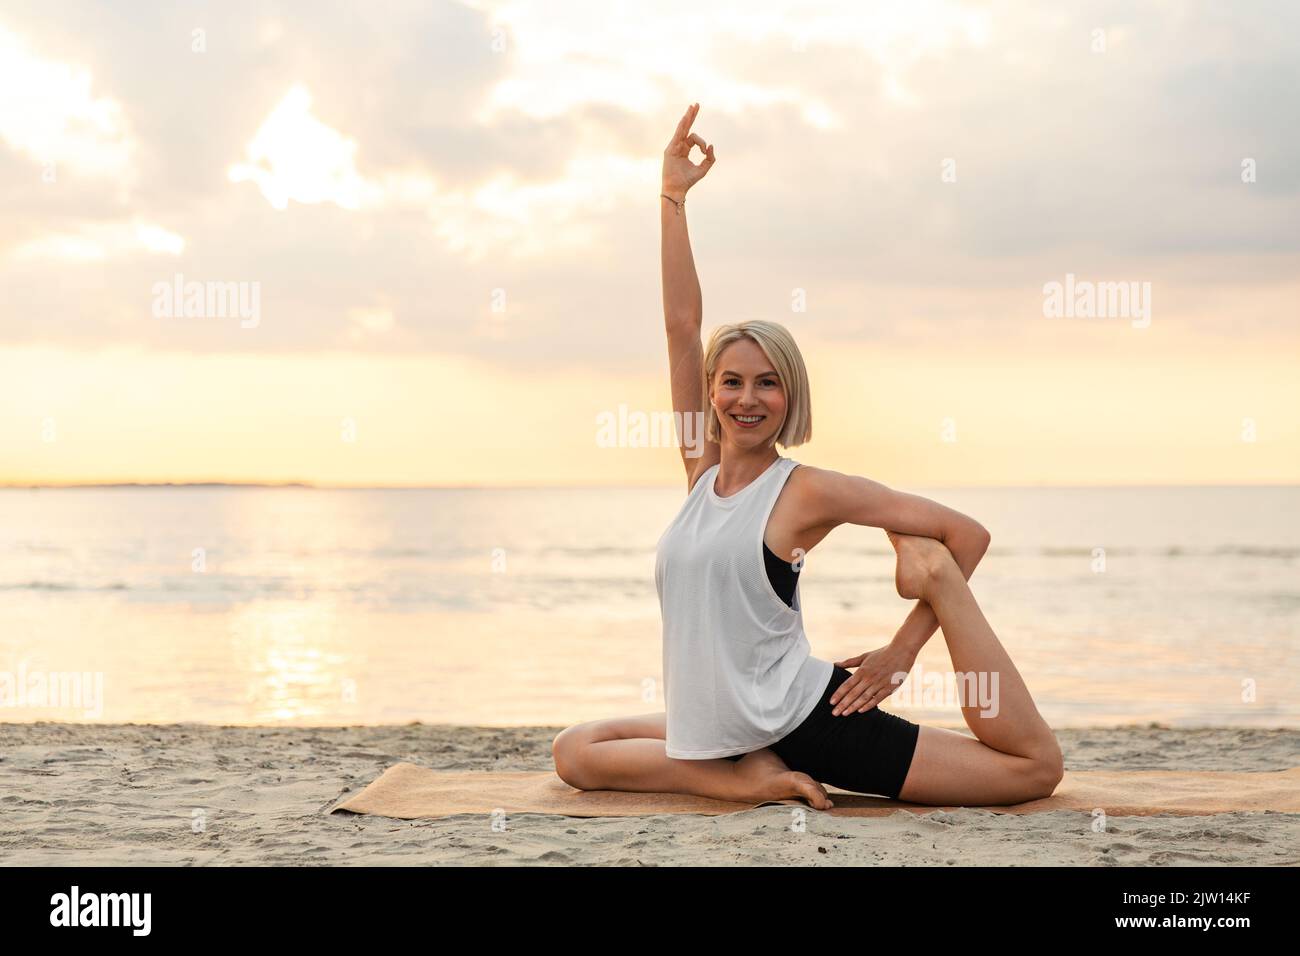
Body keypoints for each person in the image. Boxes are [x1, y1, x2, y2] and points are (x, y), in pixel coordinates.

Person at [551, 104, 1063, 809]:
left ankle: (930, 579)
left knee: (1034, 773)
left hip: (804, 719)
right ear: (711, 390)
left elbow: (969, 531)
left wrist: (903, 649)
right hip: (728, 727)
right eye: (732, 381)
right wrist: (671, 197)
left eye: (769, 383)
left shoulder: (807, 491)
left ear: (791, 398)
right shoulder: (701, 472)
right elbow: (681, 327)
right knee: (574, 751)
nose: (748, 399)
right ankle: (741, 778)